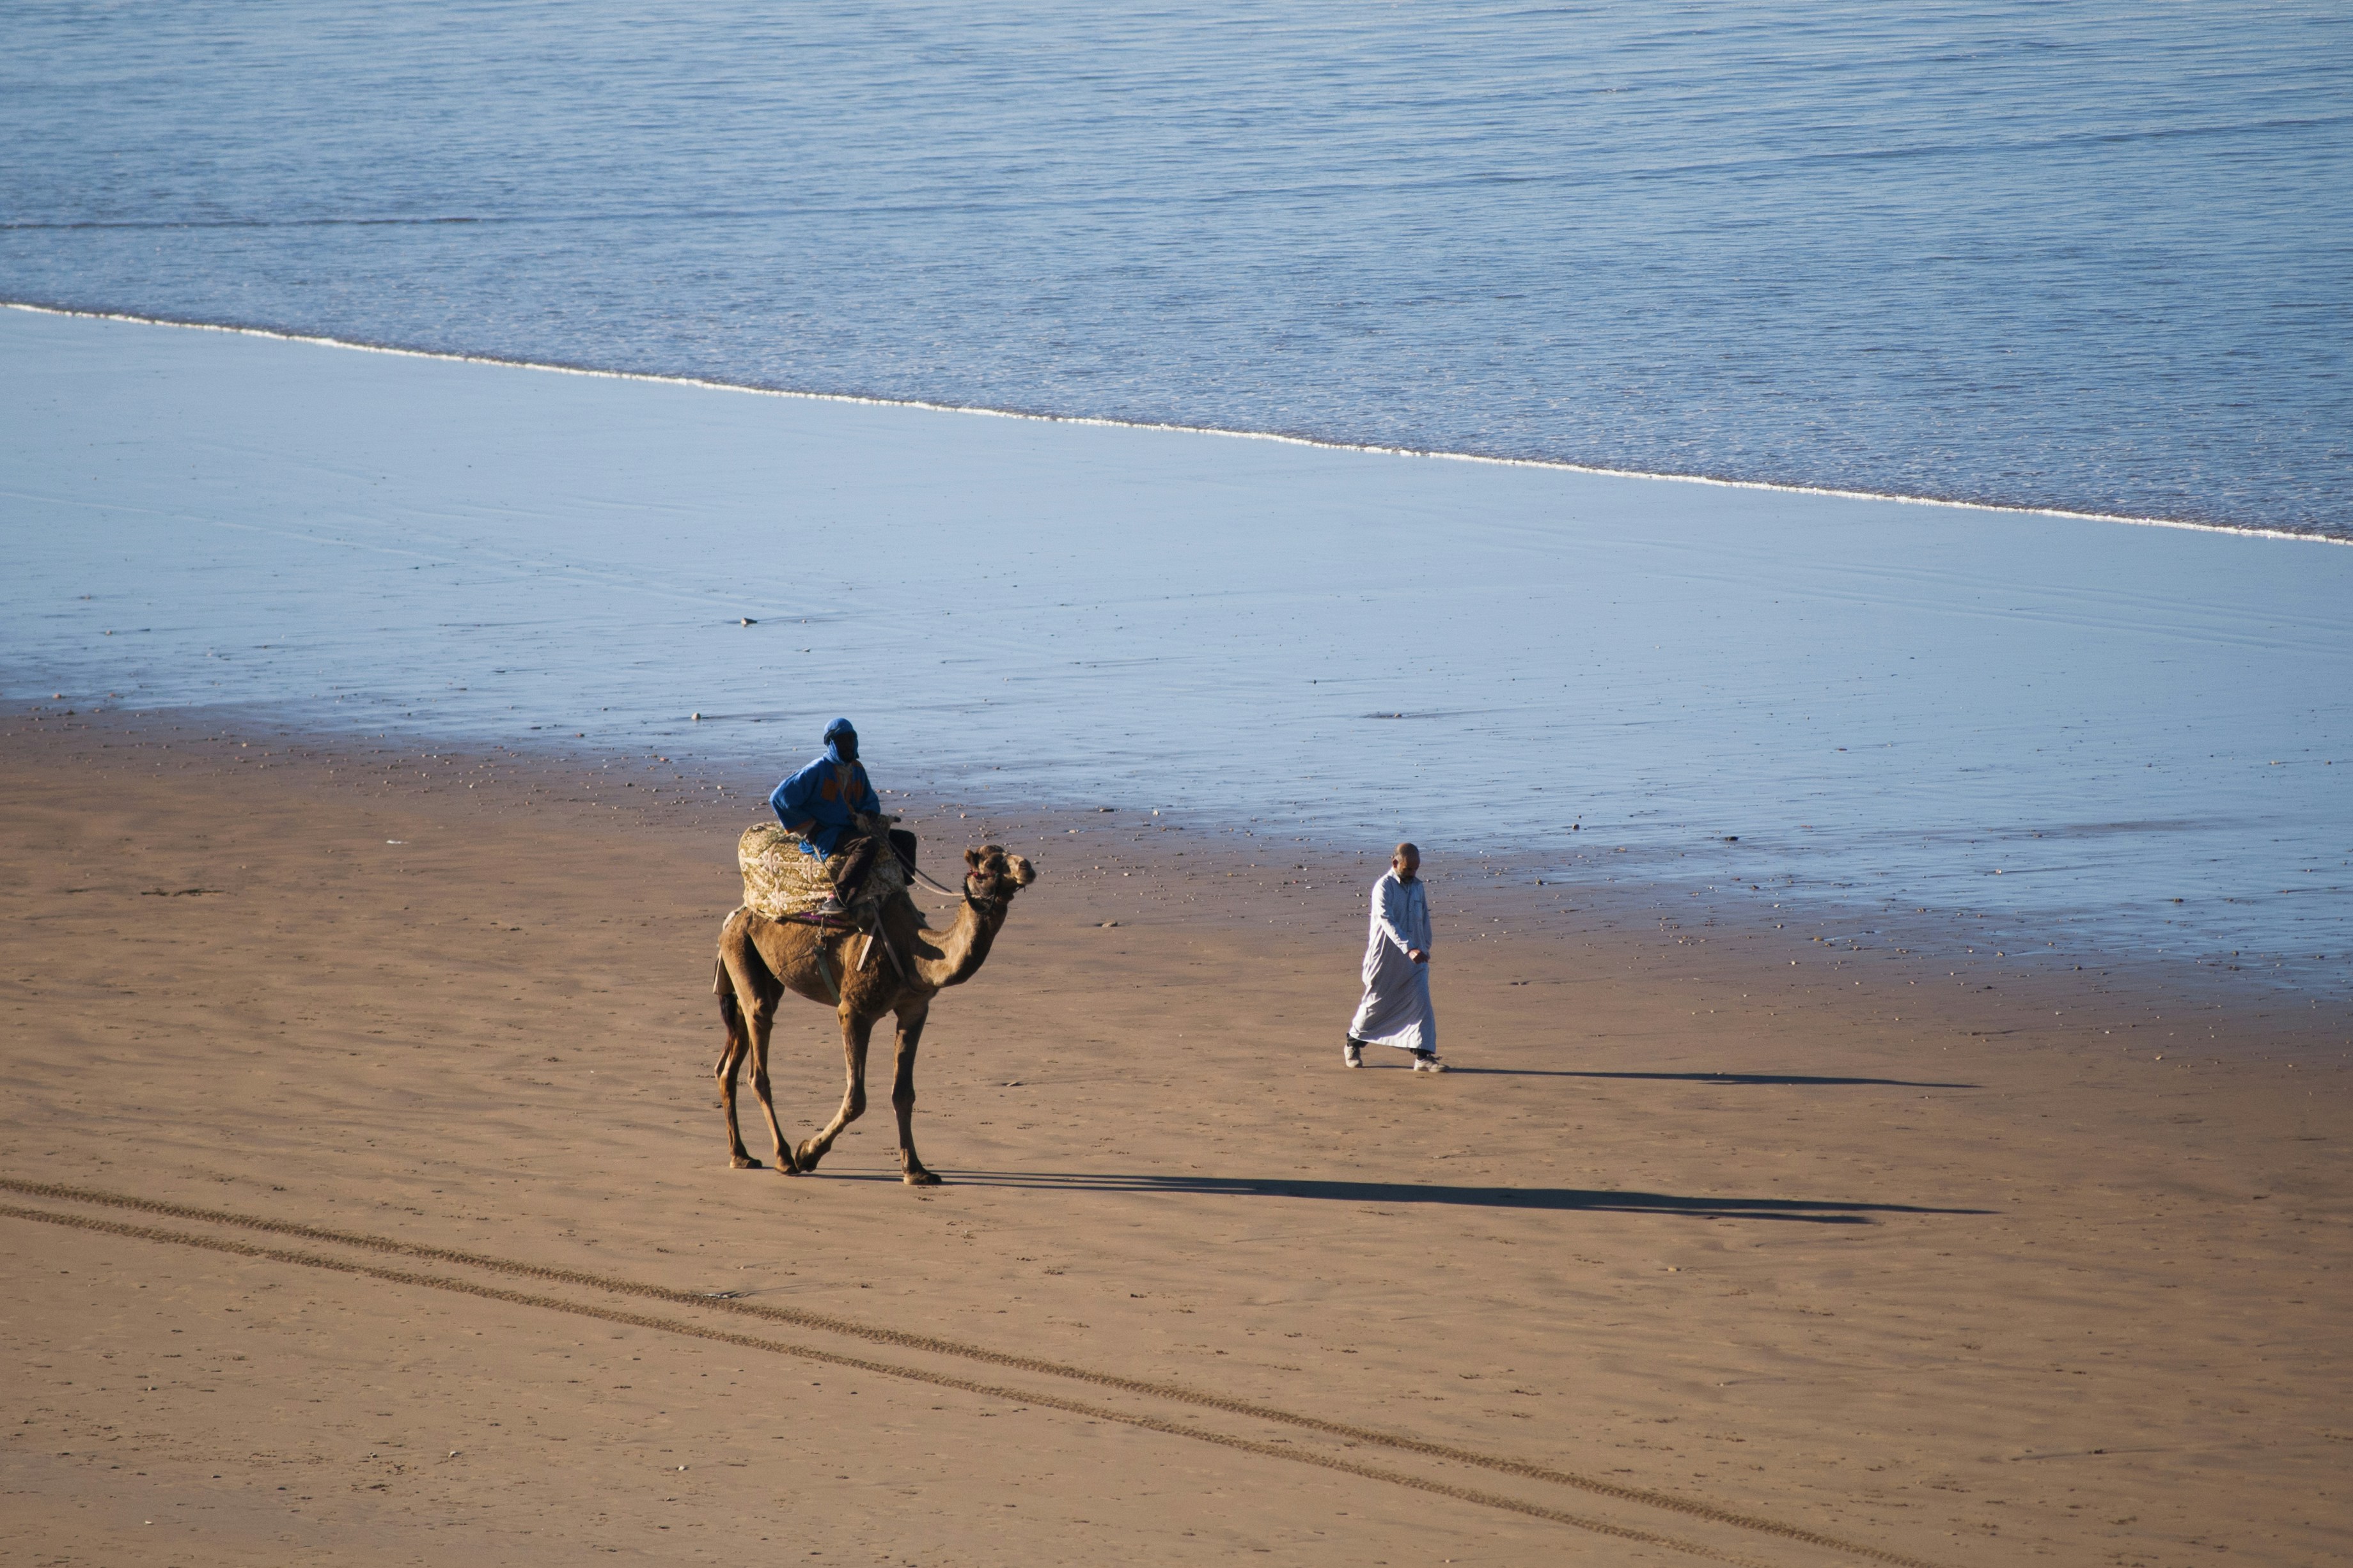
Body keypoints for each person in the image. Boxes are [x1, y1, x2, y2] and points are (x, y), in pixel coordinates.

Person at [769, 718, 886, 918]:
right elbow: (779, 798)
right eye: (841, 741)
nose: (848, 745)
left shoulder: (857, 769)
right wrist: (809, 829)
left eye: (850, 739)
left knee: (906, 840)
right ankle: (837, 899)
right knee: (867, 845)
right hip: (827, 835)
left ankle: (899, 902)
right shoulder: (817, 770)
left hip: (851, 830)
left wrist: (869, 813)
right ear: (831, 744)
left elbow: (870, 800)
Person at [1345, 842, 1445, 1072]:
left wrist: (1425, 947)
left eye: (1416, 869)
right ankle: (1353, 1043)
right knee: (1376, 1005)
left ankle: (1423, 1057)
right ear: (1395, 863)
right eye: (1408, 869)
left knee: (1422, 1003)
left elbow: (1424, 918)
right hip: (1385, 958)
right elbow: (1386, 920)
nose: (1413, 874)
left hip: (1415, 959)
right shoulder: (1384, 887)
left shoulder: (1418, 887)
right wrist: (1408, 947)